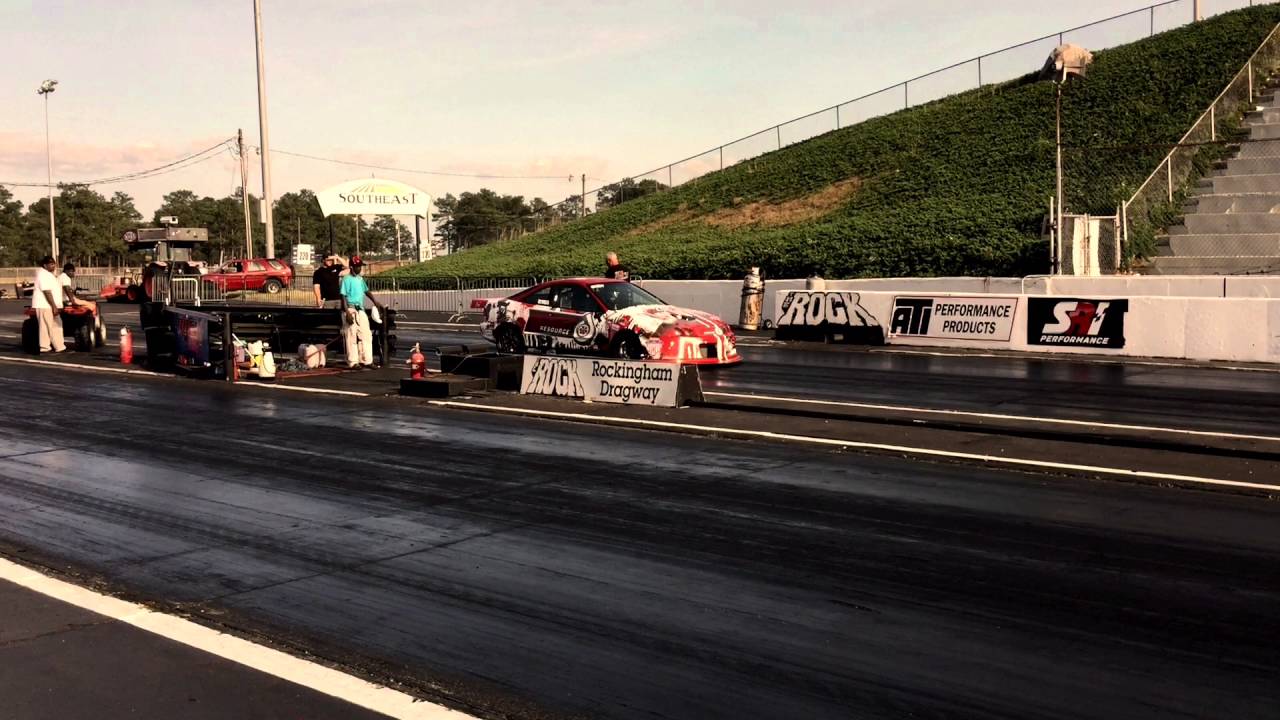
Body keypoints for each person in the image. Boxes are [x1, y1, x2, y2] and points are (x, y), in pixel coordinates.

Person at [339, 255, 386, 368]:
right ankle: (353, 361)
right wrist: (347, 312)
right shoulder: (346, 279)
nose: (359, 268)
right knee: (351, 335)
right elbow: (343, 296)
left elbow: (366, 291)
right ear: (351, 267)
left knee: (366, 334)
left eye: (360, 266)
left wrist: (375, 301)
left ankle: (367, 360)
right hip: (350, 308)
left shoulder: (360, 279)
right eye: (357, 266)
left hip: (361, 309)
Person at [30, 256, 66, 353]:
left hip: (47, 305)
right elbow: (47, 292)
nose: (53, 266)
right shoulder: (43, 275)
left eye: (54, 264)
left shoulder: (47, 274)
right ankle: (58, 347)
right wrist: (54, 306)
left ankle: (45, 347)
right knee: (53, 325)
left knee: (46, 327)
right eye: (51, 264)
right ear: (45, 265)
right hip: (45, 305)